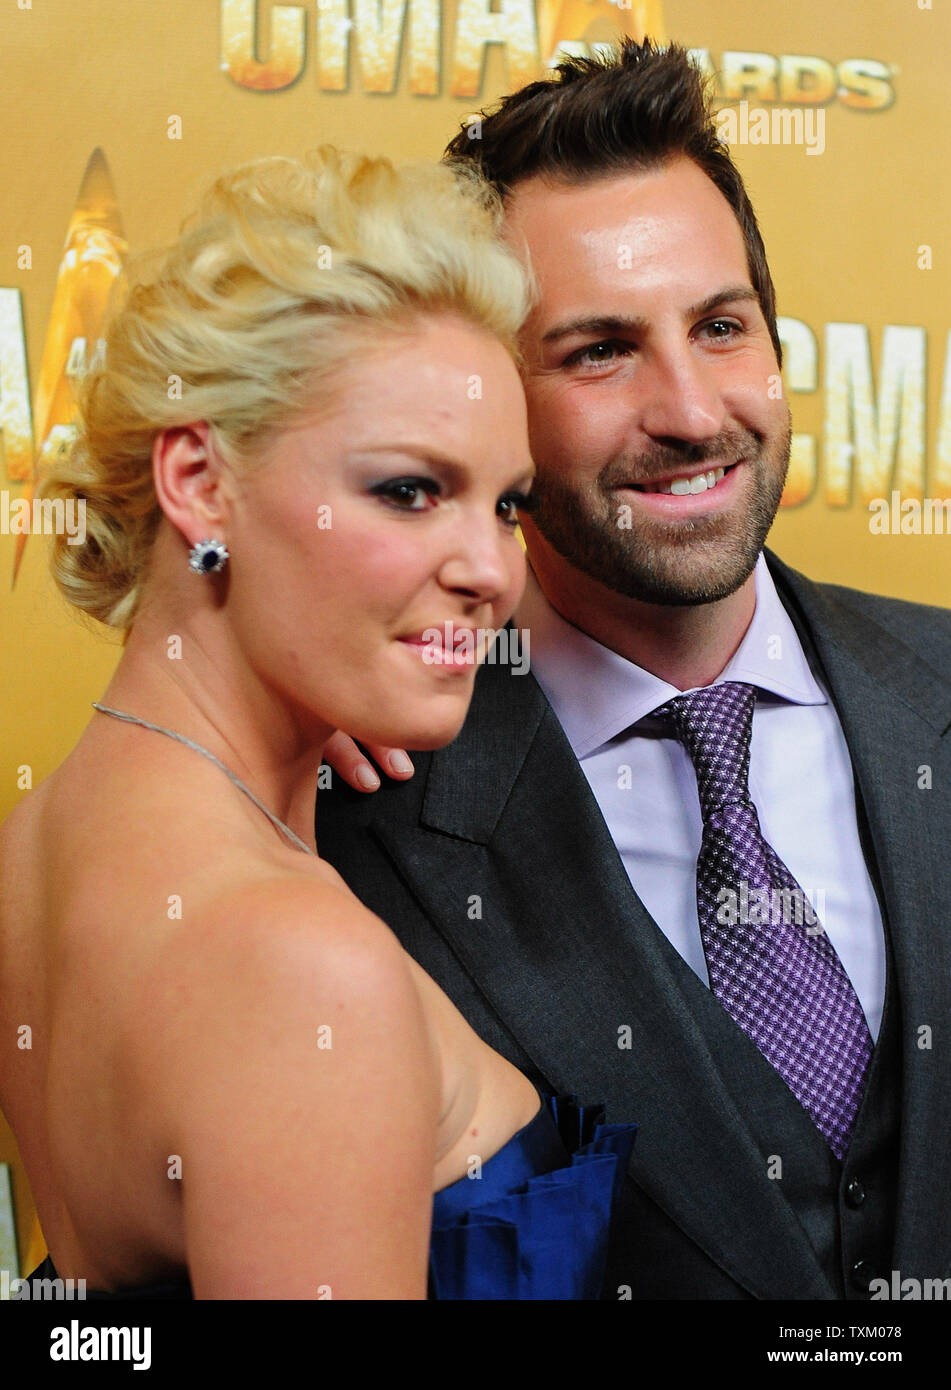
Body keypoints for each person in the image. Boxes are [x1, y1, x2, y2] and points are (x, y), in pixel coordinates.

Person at [317, 41, 951, 1300]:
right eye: (599, 350)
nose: (690, 409)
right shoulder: (354, 810)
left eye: (721, 327)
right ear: (488, 397)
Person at [0, 149, 635, 1300]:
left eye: (505, 505)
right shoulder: (299, 971)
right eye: (409, 490)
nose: (491, 569)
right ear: (199, 480)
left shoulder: (34, 851)